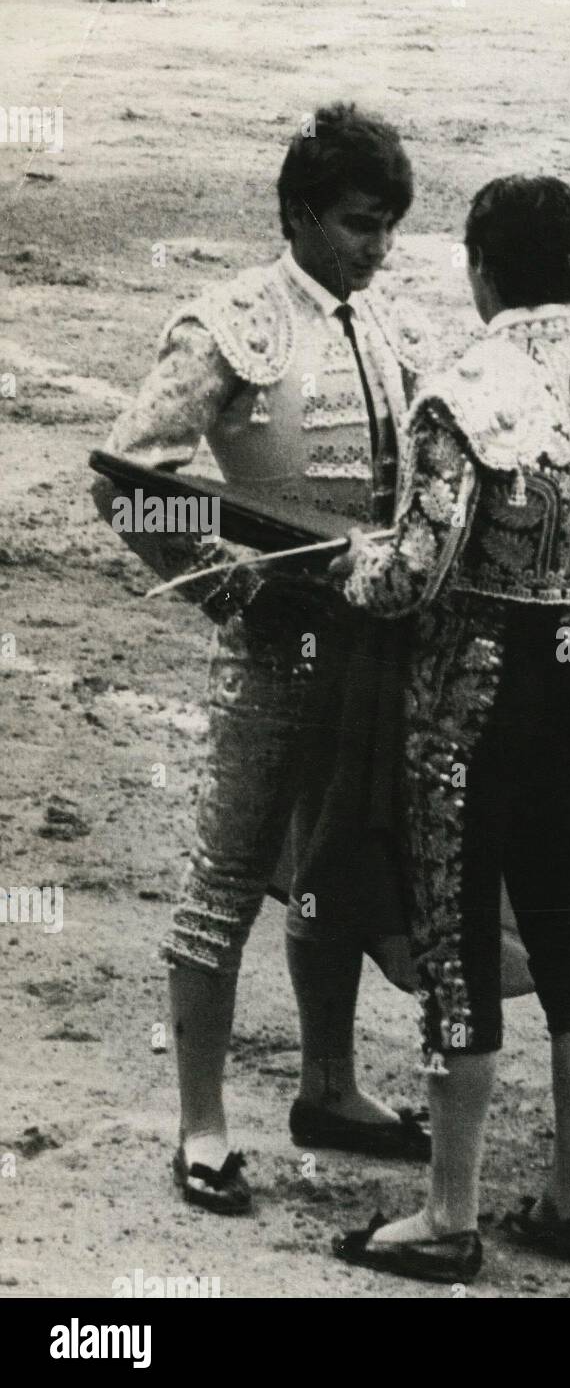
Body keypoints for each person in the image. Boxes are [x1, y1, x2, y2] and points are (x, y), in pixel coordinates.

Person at [328, 175, 570, 1281]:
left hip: (466, 697)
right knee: (567, 930)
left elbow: (412, 579)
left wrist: (355, 567)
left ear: (480, 266)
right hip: (567, 675)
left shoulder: (466, 389)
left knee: (455, 953)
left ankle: (448, 1216)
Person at [91, 103, 434, 1215]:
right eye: (355, 223)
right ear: (297, 214)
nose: (375, 247)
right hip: (275, 643)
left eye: (386, 225)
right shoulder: (233, 320)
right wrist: (220, 584)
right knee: (228, 871)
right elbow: (127, 471)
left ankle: (328, 1086)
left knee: (337, 862)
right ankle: (201, 1127)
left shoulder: (390, 325)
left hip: (375, 642)